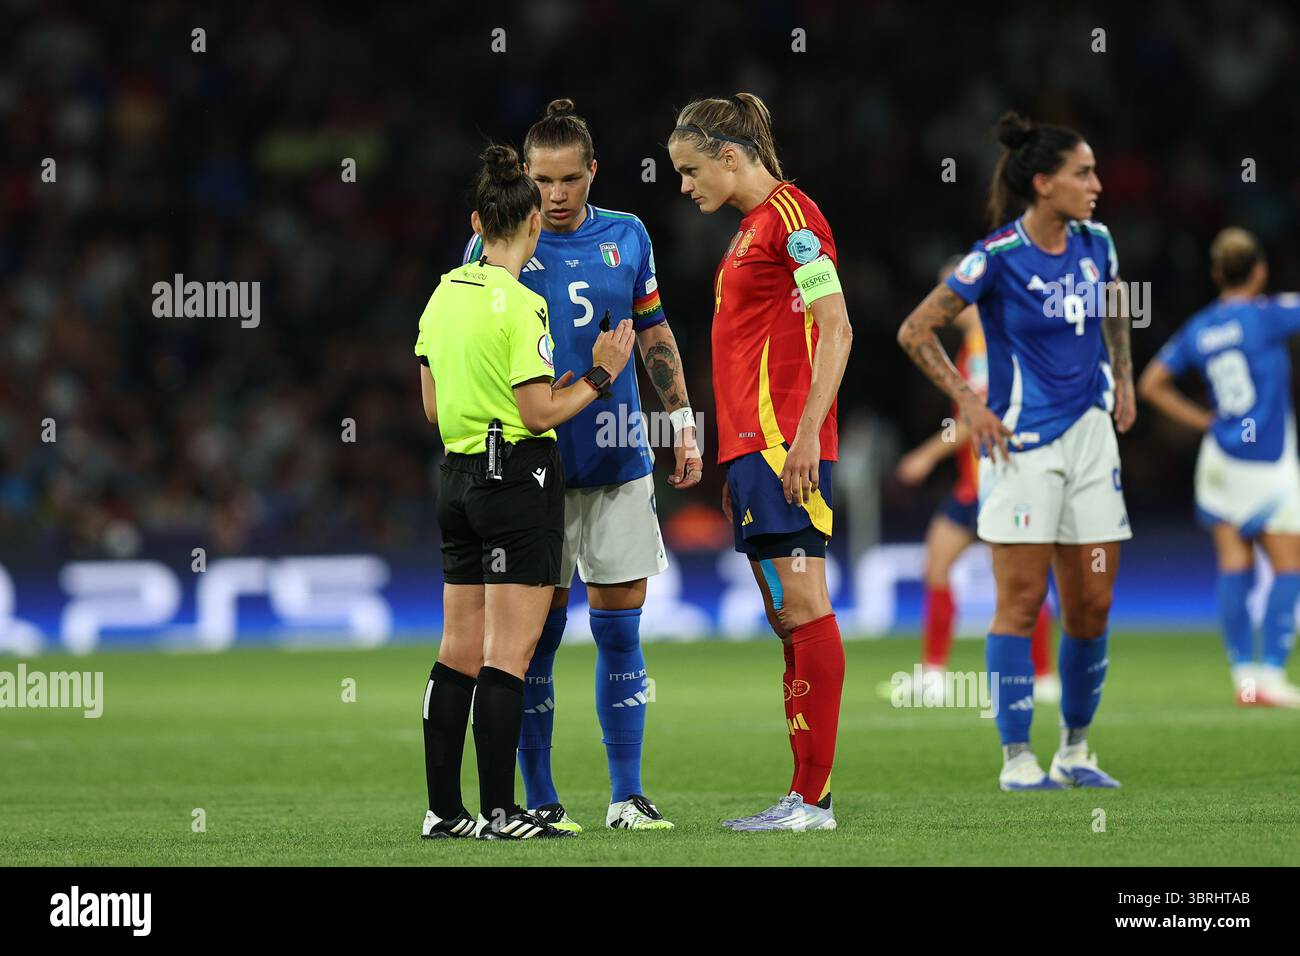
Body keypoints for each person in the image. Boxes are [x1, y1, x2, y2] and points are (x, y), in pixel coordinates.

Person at [462, 99, 701, 831]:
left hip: (620, 457)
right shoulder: (493, 248)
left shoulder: (626, 235)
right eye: (542, 180)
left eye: (569, 178)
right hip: (533, 471)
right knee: (534, 641)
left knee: (620, 630)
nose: (555, 195)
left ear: (593, 171)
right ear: (525, 178)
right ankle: (540, 799)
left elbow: (654, 329)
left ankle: (627, 795)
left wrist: (681, 419)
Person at [897, 111, 1133, 791]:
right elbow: (917, 330)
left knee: (1092, 603)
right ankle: (1017, 757)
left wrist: (1120, 377)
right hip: (1025, 447)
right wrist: (970, 405)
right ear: (1043, 182)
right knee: (1022, 603)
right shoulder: (996, 257)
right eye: (1082, 172)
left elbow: (1115, 305)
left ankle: (1077, 749)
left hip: (1092, 440)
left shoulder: (1098, 243)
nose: (1096, 183)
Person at [415, 144, 634, 840]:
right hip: (517, 481)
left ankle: (446, 812)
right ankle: (507, 811)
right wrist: (598, 376)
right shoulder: (522, 304)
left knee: (457, 649)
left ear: (479, 223)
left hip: (455, 479)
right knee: (507, 655)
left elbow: (430, 405)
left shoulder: (445, 291)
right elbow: (539, 412)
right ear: (533, 223)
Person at [668, 92, 853, 831]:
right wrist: (734, 461)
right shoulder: (751, 230)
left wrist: (806, 434)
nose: (684, 186)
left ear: (731, 156)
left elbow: (836, 330)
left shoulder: (794, 220)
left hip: (785, 448)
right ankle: (805, 796)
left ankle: (812, 801)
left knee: (805, 609)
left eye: (690, 170)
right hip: (753, 453)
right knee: (786, 617)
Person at [1138, 227, 1300, 708]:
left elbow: (1151, 384)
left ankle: (1243, 678)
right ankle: (1271, 674)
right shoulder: (1268, 316)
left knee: (1234, 564)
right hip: (1266, 459)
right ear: (1261, 271)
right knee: (1289, 567)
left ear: (1215, 273)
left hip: (1220, 458)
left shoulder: (1200, 327)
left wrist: (1202, 421)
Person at [890, 255, 1059, 706]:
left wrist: (925, 455)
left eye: (951, 293)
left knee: (1018, 580)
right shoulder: (975, 345)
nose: (945, 302)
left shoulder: (985, 345)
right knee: (939, 564)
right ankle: (936, 674)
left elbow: (976, 418)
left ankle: (1042, 675)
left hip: (999, 479)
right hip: (976, 482)